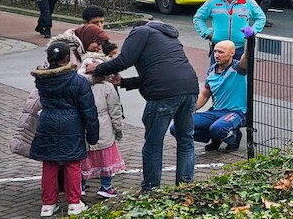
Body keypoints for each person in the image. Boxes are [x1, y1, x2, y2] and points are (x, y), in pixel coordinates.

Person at [92, 20, 198, 192]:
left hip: (163, 94)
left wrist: (97, 69)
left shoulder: (140, 32)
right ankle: (185, 187)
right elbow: (160, 71)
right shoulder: (168, 36)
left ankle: (151, 189)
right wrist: (125, 82)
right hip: (189, 88)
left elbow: (124, 60)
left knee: (153, 143)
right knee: (186, 140)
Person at [30, 40, 99, 217]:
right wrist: (93, 135)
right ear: (68, 57)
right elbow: (88, 110)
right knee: (72, 162)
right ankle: (74, 203)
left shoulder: (42, 79)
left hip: (48, 121)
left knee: (50, 163)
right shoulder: (78, 81)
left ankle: (47, 204)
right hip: (71, 123)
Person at [177, 39, 249, 152]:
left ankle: (233, 138)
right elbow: (204, 96)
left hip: (236, 113)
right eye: (215, 51)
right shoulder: (211, 70)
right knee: (177, 126)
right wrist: (188, 110)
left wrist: (248, 39)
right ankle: (215, 137)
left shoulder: (238, 68)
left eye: (221, 52)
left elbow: (246, 57)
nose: (216, 55)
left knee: (219, 128)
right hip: (215, 112)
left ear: (232, 53)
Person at [77, 53, 125, 199]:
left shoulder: (77, 85)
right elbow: (115, 110)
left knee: (84, 159)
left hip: (82, 127)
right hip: (104, 128)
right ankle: (106, 187)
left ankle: (81, 186)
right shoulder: (107, 87)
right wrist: (118, 129)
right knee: (106, 158)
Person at [193, 0, 266, 64]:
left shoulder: (248, 1)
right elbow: (198, 18)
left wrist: (253, 30)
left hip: (239, 49)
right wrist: (207, 34)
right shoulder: (213, 1)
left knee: (239, 77)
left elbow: (261, 18)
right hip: (219, 50)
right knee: (217, 77)